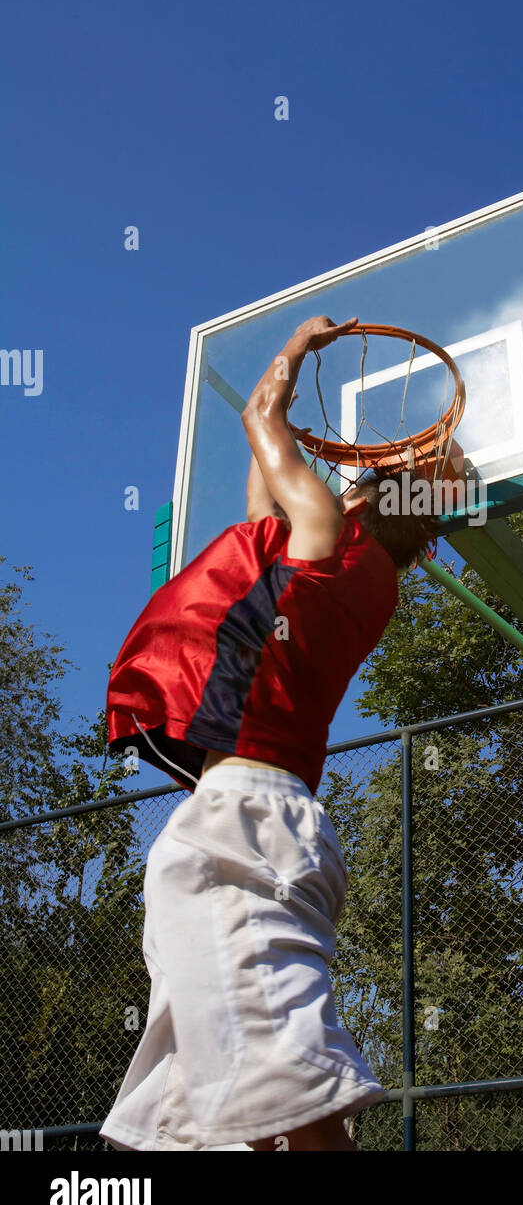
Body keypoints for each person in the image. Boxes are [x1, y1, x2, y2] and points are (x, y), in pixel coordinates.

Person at [99, 315, 438, 1151]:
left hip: (248, 818)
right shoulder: (364, 578)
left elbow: (261, 420)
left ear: (362, 500)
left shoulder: (327, 537)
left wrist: (295, 348)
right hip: (248, 814)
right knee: (226, 1093)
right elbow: (262, 500)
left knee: (288, 1079)